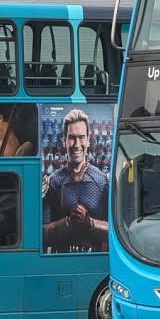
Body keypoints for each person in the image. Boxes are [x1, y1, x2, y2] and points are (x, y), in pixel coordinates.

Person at [42, 108, 109, 253]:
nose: (77, 144)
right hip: (62, 263)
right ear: (64, 140)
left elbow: (115, 232)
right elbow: (42, 233)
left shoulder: (102, 181)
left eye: (81, 137)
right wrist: (67, 223)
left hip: (95, 264)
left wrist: (90, 222)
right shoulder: (53, 182)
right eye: (72, 137)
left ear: (88, 140)